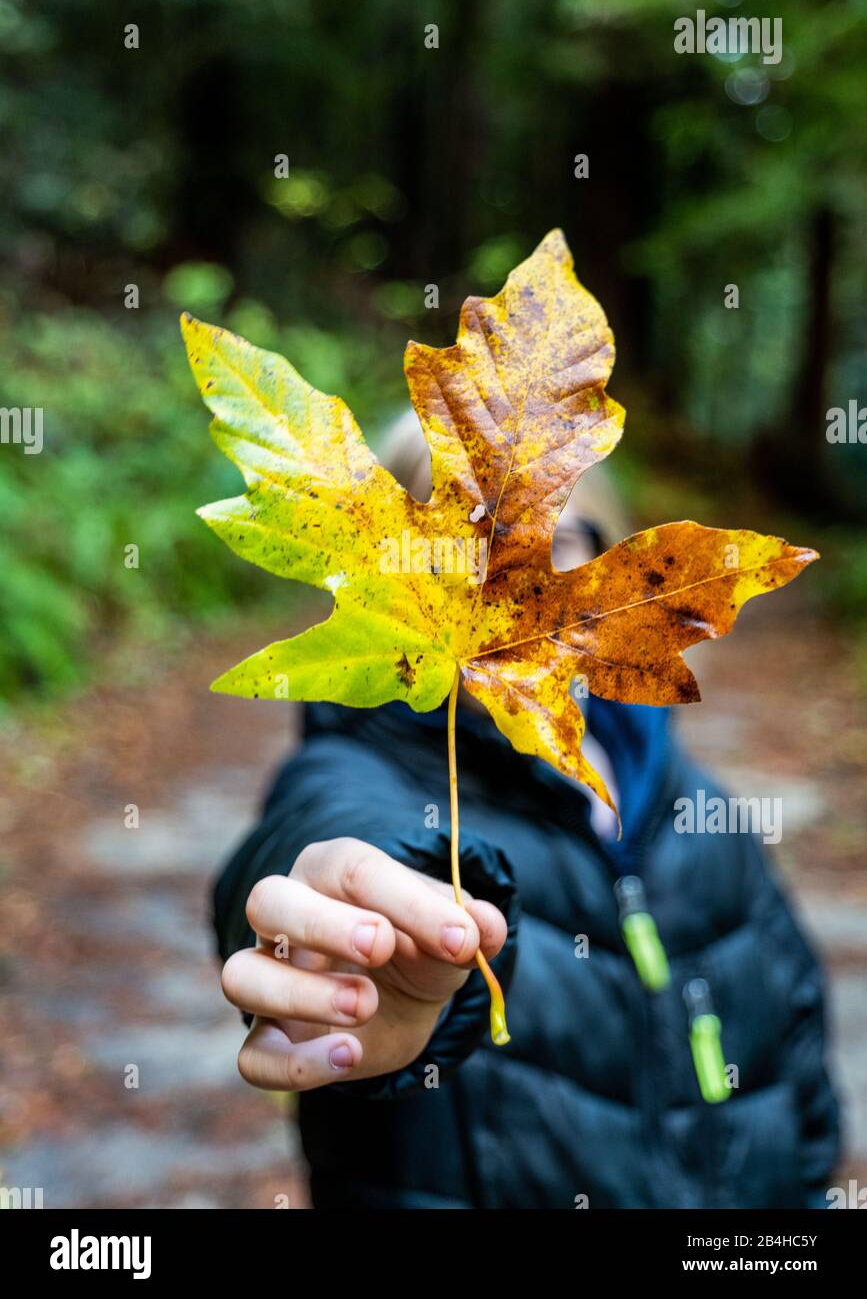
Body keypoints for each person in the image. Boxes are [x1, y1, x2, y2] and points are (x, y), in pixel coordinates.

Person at [212, 412, 840, 1209]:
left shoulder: (698, 808)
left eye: (552, 541)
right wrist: (353, 933)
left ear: (611, 562)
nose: (498, 580)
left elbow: (797, 1054)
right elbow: (317, 832)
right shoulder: (360, 772)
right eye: (451, 554)